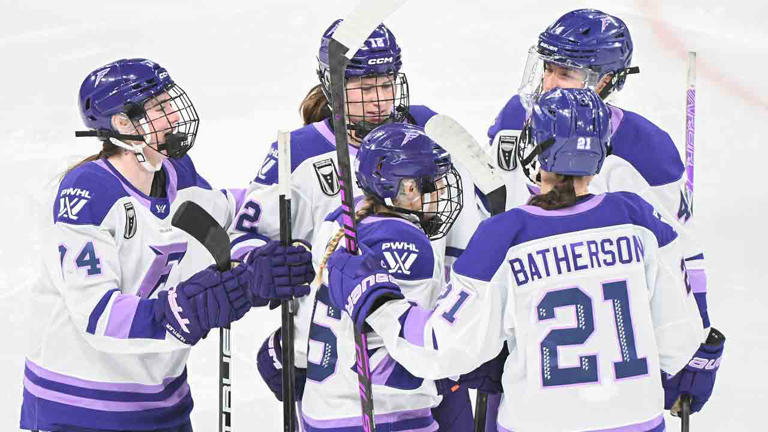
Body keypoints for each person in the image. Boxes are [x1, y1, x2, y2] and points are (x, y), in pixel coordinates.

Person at [324, 89, 722, 431]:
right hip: (638, 421)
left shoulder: (505, 235)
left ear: (537, 148)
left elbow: (441, 349)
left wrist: (377, 303)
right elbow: (680, 341)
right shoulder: (640, 217)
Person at [20, 58, 314, 432]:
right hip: (80, 410)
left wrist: (253, 263)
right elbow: (100, 318)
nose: (174, 114)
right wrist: (197, 305)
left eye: (169, 101)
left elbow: (221, 224)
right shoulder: (87, 194)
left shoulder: (176, 172)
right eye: (159, 107)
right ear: (123, 124)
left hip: (164, 405)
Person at [240, 20, 480, 430]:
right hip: (341, 371)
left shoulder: (426, 135)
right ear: (332, 85)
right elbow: (244, 234)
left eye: (386, 85)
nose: (378, 101)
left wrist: (472, 325)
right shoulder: (299, 152)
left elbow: (466, 239)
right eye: (364, 89)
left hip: (429, 347)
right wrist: (264, 264)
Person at [486, 8, 719, 420]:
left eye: (565, 73)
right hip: (524, 335)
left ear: (606, 80)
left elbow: (682, 252)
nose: (548, 83)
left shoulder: (647, 149)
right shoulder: (516, 118)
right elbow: (493, 214)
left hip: (612, 350)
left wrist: (696, 343)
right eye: (548, 69)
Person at [295, 122, 464, 430]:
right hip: (384, 417)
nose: (441, 192)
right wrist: (457, 363)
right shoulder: (406, 241)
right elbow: (403, 361)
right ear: (409, 188)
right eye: (435, 183)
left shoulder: (338, 221)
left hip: (323, 408)